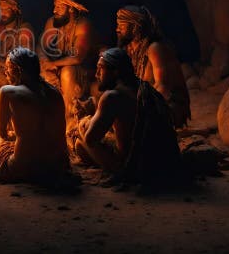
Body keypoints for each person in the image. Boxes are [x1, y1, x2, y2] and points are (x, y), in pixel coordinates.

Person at [76, 48, 181, 185]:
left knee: (82, 134)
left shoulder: (112, 97)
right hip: (159, 163)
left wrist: (85, 119)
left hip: (134, 166)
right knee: (84, 141)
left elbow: (91, 139)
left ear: (115, 71)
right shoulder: (143, 87)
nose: (96, 74)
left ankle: (119, 171)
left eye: (100, 69)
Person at [0, 47, 69, 183]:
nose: (5, 72)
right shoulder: (55, 92)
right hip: (56, 167)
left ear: (17, 70)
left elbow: (1, 134)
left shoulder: (7, 92)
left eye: (7, 68)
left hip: (23, 169)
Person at [39, 0, 97, 152]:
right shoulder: (52, 23)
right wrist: (45, 62)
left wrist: (55, 64)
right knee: (42, 74)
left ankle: (70, 125)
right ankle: (48, 121)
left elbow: (78, 58)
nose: (54, 10)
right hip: (59, 66)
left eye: (58, 7)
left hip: (81, 71)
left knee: (68, 72)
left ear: (71, 9)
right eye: (54, 6)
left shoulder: (83, 25)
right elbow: (41, 47)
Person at [116, 5, 191, 128]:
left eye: (121, 25)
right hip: (148, 105)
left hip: (169, 108)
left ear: (135, 27)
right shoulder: (132, 51)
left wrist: (138, 108)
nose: (117, 29)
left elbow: (163, 87)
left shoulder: (154, 48)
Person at [0, 0, 34, 88]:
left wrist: (9, 66)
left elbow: (26, 56)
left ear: (15, 10)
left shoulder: (24, 28)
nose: (3, 13)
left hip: (20, 69)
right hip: (4, 66)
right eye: (1, 10)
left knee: (1, 79)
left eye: (6, 10)